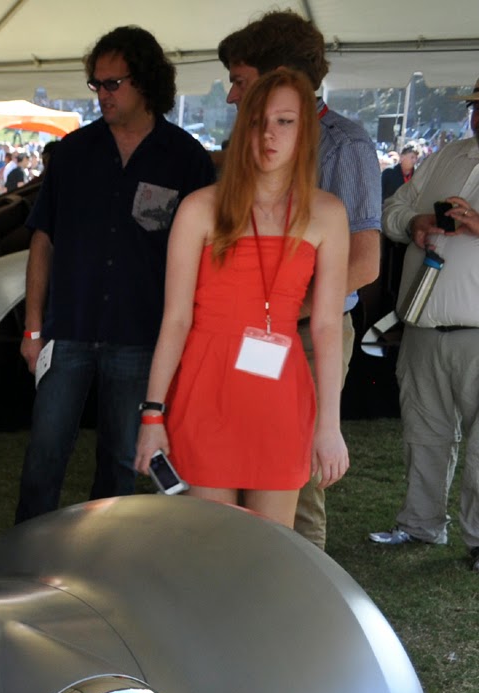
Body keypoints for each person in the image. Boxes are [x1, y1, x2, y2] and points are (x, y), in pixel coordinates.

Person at [15, 26, 216, 524]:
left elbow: (205, 260)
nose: (101, 94)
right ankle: (20, 565)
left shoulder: (186, 158)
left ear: (145, 82)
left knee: (121, 465)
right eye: (96, 84)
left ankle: (105, 565)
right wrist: (33, 327)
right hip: (69, 331)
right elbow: (43, 239)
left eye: (112, 84)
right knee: (43, 459)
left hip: (141, 335)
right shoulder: (73, 152)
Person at [133, 69, 350, 526]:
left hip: (281, 399)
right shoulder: (200, 208)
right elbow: (175, 318)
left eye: (285, 121)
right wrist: (153, 415)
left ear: (305, 131)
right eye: (257, 121)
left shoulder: (327, 214)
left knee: (272, 554)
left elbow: (329, 325)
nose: (269, 134)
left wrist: (329, 425)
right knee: (212, 552)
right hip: (206, 392)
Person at [217, 9, 381, 550]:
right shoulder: (248, 146)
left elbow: (364, 262)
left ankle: (301, 613)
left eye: (239, 81)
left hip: (310, 337)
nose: (230, 97)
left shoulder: (344, 144)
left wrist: (276, 309)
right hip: (254, 334)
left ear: (275, 78)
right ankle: (254, 588)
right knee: (246, 464)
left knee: (297, 478)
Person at [368, 79, 479, 565]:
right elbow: (393, 207)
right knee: (422, 432)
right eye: (477, 106)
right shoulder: (445, 156)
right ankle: (419, 524)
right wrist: (412, 224)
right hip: (423, 325)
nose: (478, 115)